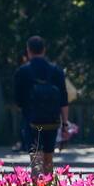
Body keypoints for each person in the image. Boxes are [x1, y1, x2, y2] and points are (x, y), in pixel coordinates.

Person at [13, 36, 69, 175]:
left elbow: (18, 101)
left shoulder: (22, 72)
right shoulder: (56, 71)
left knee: (36, 159)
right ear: (44, 50)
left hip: (31, 121)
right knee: (48, 159)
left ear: (28, 50)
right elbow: (63, 100)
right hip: (52, 121)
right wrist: (65, 125)